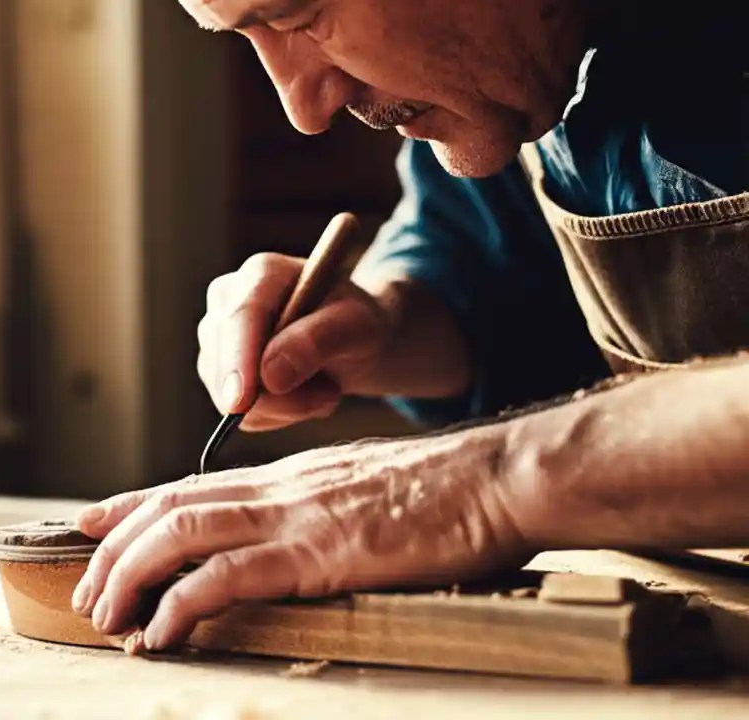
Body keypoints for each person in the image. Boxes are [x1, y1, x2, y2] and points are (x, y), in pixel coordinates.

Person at [70, 0, 749, 652]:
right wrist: (389, 323)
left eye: (300, 16)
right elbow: (484, 260)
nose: (306, 110)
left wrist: (488, 484)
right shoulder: (520, 74)